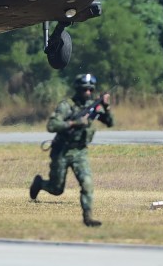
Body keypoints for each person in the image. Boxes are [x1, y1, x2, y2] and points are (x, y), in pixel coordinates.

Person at [29, 73, 114, 227]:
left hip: (80, 152)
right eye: (84, 90)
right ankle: (39, 183)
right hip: (62, 151)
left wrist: (106, 107)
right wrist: (73, 123)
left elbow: (109, 122)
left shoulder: (93, 108)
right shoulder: (66, 106)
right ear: (77, 89)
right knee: (56, 189)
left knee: (87, 183)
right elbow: (52, 126)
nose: (87, 93)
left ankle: (88, 218)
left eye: (90, 90)